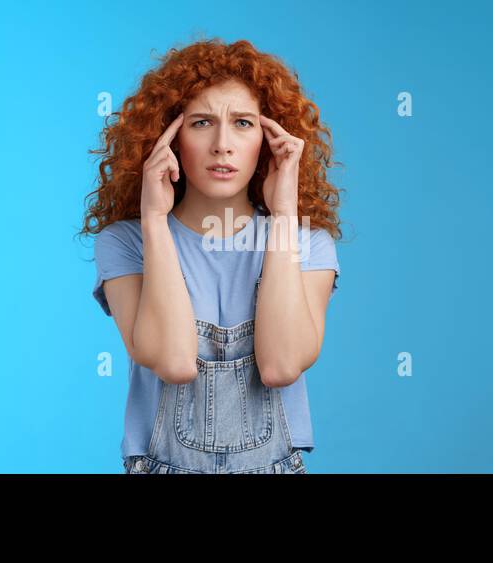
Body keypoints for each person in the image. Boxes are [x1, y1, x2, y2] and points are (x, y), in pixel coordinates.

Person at [82, 38, 342, 474]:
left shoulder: (307, 243)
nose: (223, 144)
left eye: (243, 123)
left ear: (269, 138)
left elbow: (280, 366)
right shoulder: (125, 243)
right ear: (170, 138)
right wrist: (153, 218)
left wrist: (283, 214)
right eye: (201, 123)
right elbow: (174, 362)